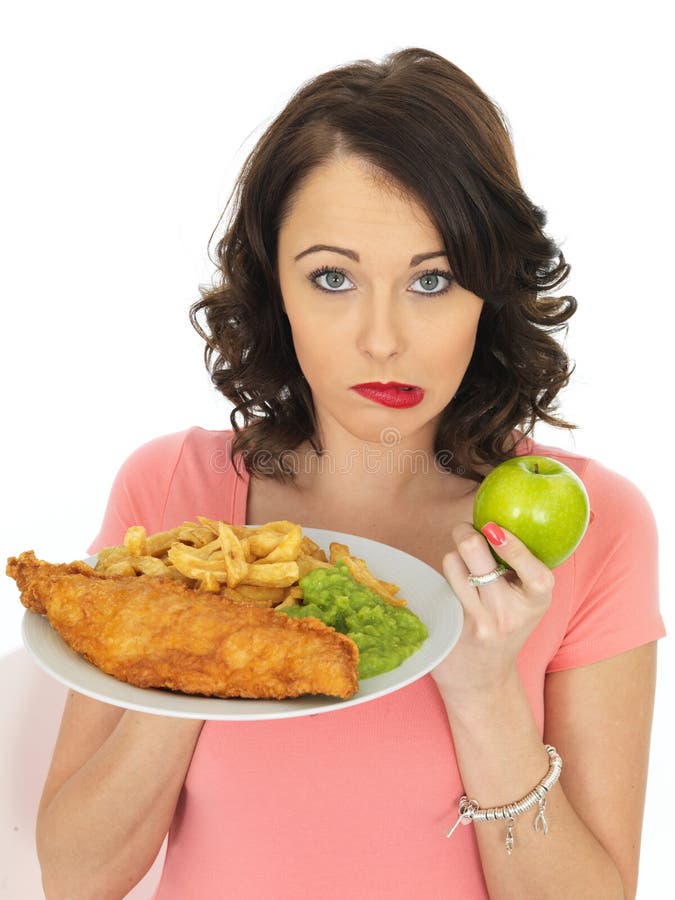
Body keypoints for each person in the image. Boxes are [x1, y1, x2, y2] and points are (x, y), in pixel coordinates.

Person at [35, 48, 665, 900]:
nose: (381, 339)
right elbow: (75, 878)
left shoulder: (593, 524)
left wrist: (484, 693)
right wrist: (195, 639)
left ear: (491, 289)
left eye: (432, 280)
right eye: (332, 278)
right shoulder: (177, 503)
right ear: (274, 288)